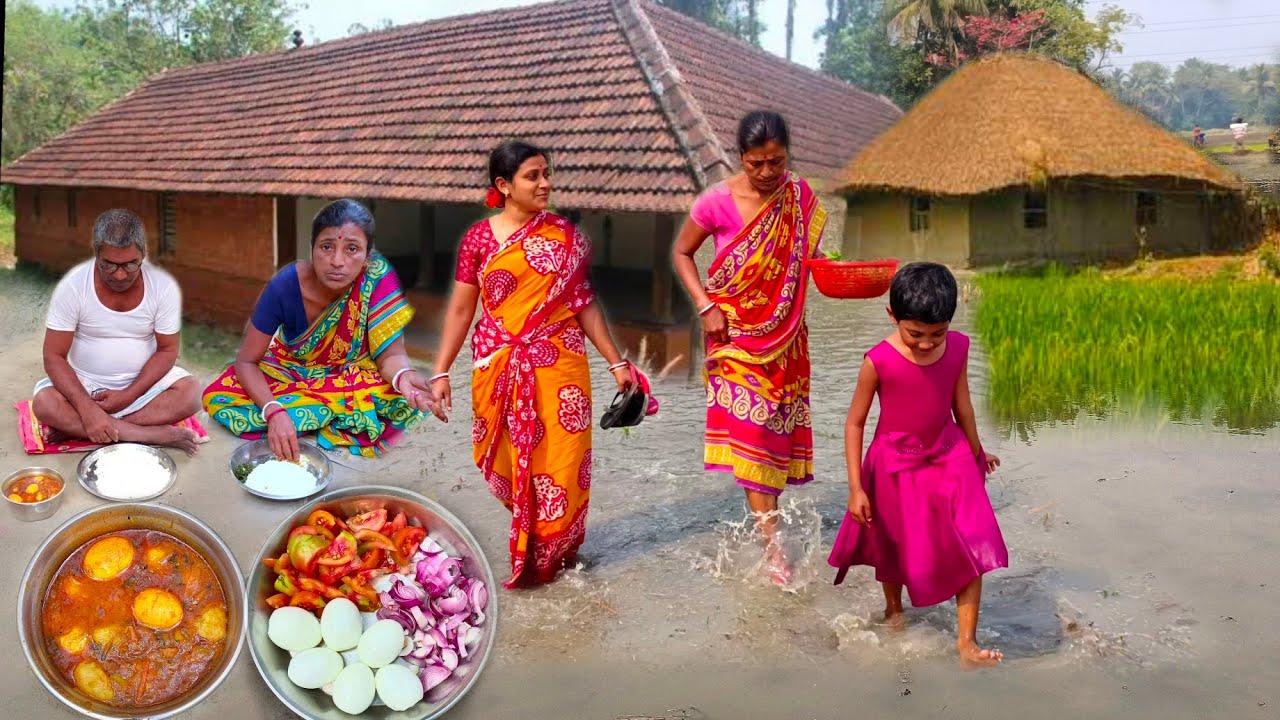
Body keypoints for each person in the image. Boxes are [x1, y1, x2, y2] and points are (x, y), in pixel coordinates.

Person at [430, 140, 631, 588]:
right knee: (503, 456)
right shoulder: (479, 240)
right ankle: (535, 540)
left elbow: (584, 305)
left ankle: (555, 557)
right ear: (503, 185)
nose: (545, 183)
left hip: (561, 368)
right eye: (533, 176)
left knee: (562, 465)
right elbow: (462, 311)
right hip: (498, 366)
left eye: (547, 173)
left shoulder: (566, 237)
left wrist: (617, 363)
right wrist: (441, 371)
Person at [671, 110, 827, 586]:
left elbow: (811, 257)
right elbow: (681, 254)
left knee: (769, 441)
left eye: (776, 162)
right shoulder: (716, 202)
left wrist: (838, 271)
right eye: (757, 163)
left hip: (785, 338)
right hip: (732, 336)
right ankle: (774, 548)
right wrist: (704, 307)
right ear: (741, 157)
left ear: (787, 156)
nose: (766, 174)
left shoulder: (798, 197)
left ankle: (767, 527)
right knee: (756, 436)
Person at [827, 262, 1009, 667]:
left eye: (937, 333)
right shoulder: (878, 361)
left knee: (974, 541)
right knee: (894, 545)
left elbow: (962, 405)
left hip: (950, 454)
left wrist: (979, 452)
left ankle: (967, 644)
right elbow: (855, 422)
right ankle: (894, 611)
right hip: (894, 466)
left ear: (950, 322)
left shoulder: (958, 348)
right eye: (916, 334)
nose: (927, 344)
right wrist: (856, 487)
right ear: (892, 317)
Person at [203, 199, 443, 460]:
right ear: (312, 249)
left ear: (366, 257)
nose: (337, 261)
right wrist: (273, 411)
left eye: (352, 249)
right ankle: (320, 416)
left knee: (408, 403)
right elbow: (247, 361)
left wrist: (402, 377)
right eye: (327, 247)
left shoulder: (377, 278)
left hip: (353, 376)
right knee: (221, 397)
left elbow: (390, 356)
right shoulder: (285, 286)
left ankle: (313, 417)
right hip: (290, 372)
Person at [33, 209, 203, 455]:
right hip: (85, 386)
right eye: (109, 265)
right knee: (45, 403)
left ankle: (88, 428)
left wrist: (128, 395)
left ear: (143, 254)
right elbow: (53, 356)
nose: (120, 275)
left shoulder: (163, 287)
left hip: (143, 388)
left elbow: (167, 350)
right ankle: (146, 434)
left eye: (130, 264)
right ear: (96, 253)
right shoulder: (73, 286)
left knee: (193, 394)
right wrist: (86, 407)